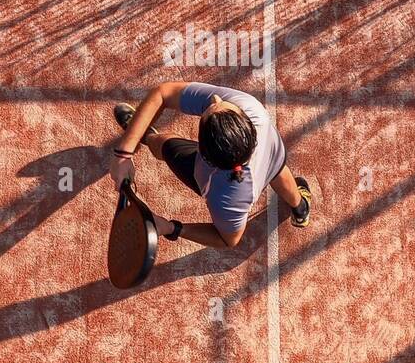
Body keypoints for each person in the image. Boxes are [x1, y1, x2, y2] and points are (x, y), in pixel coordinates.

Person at [110, 82, 311, 248]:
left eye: (214, 108)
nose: (216, 99)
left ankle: (147, 134)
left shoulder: (224, 194)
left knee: (164, 144)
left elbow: (228, 239)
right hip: (273, 155)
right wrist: (124, 153)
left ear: (202, 153)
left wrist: (171, 228)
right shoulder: (249, 108)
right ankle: (300, 207)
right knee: (278, 171)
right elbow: (163, 93)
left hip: (236, 182)